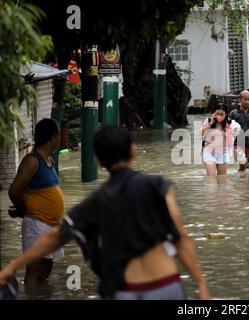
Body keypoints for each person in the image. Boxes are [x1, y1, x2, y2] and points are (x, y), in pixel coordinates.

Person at [0, 126, 210, 300]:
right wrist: (200, 283)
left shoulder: (94, 203)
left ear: (99, 162)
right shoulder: (159, 187)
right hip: (166, 287)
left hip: (124, 291)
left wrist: (13, 266)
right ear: (133, 151)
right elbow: (180, 238)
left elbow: (55, 237)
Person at [7, 118, 64, 293]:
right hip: (36, 224)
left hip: (51, 225)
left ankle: (41, 296)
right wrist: (23, 209)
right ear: (53, 138)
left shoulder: (49, 160)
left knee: (46, 267)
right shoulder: (32, 160)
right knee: (33, 270)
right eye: (59, 135)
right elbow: (14, 190)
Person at [200, 104, 241, 176]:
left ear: (225, 114)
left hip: (223, 153)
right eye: (217, 114)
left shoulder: (230, 123)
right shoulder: (208, 120)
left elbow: (229, 141)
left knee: (222, 181)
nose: (219, 116)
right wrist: (210, 123)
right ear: (213, 113)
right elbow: (201, 132)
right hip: (209, 152)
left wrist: (228, 128)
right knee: (211, 179)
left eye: (221, 114)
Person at [229, 90, 249, 171]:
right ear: (240, 100)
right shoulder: (233, 114)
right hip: (238, 144)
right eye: (245, 99)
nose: (247, 102)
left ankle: (245, 182)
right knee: (243, 165)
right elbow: (228, 130)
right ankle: (240, 180)